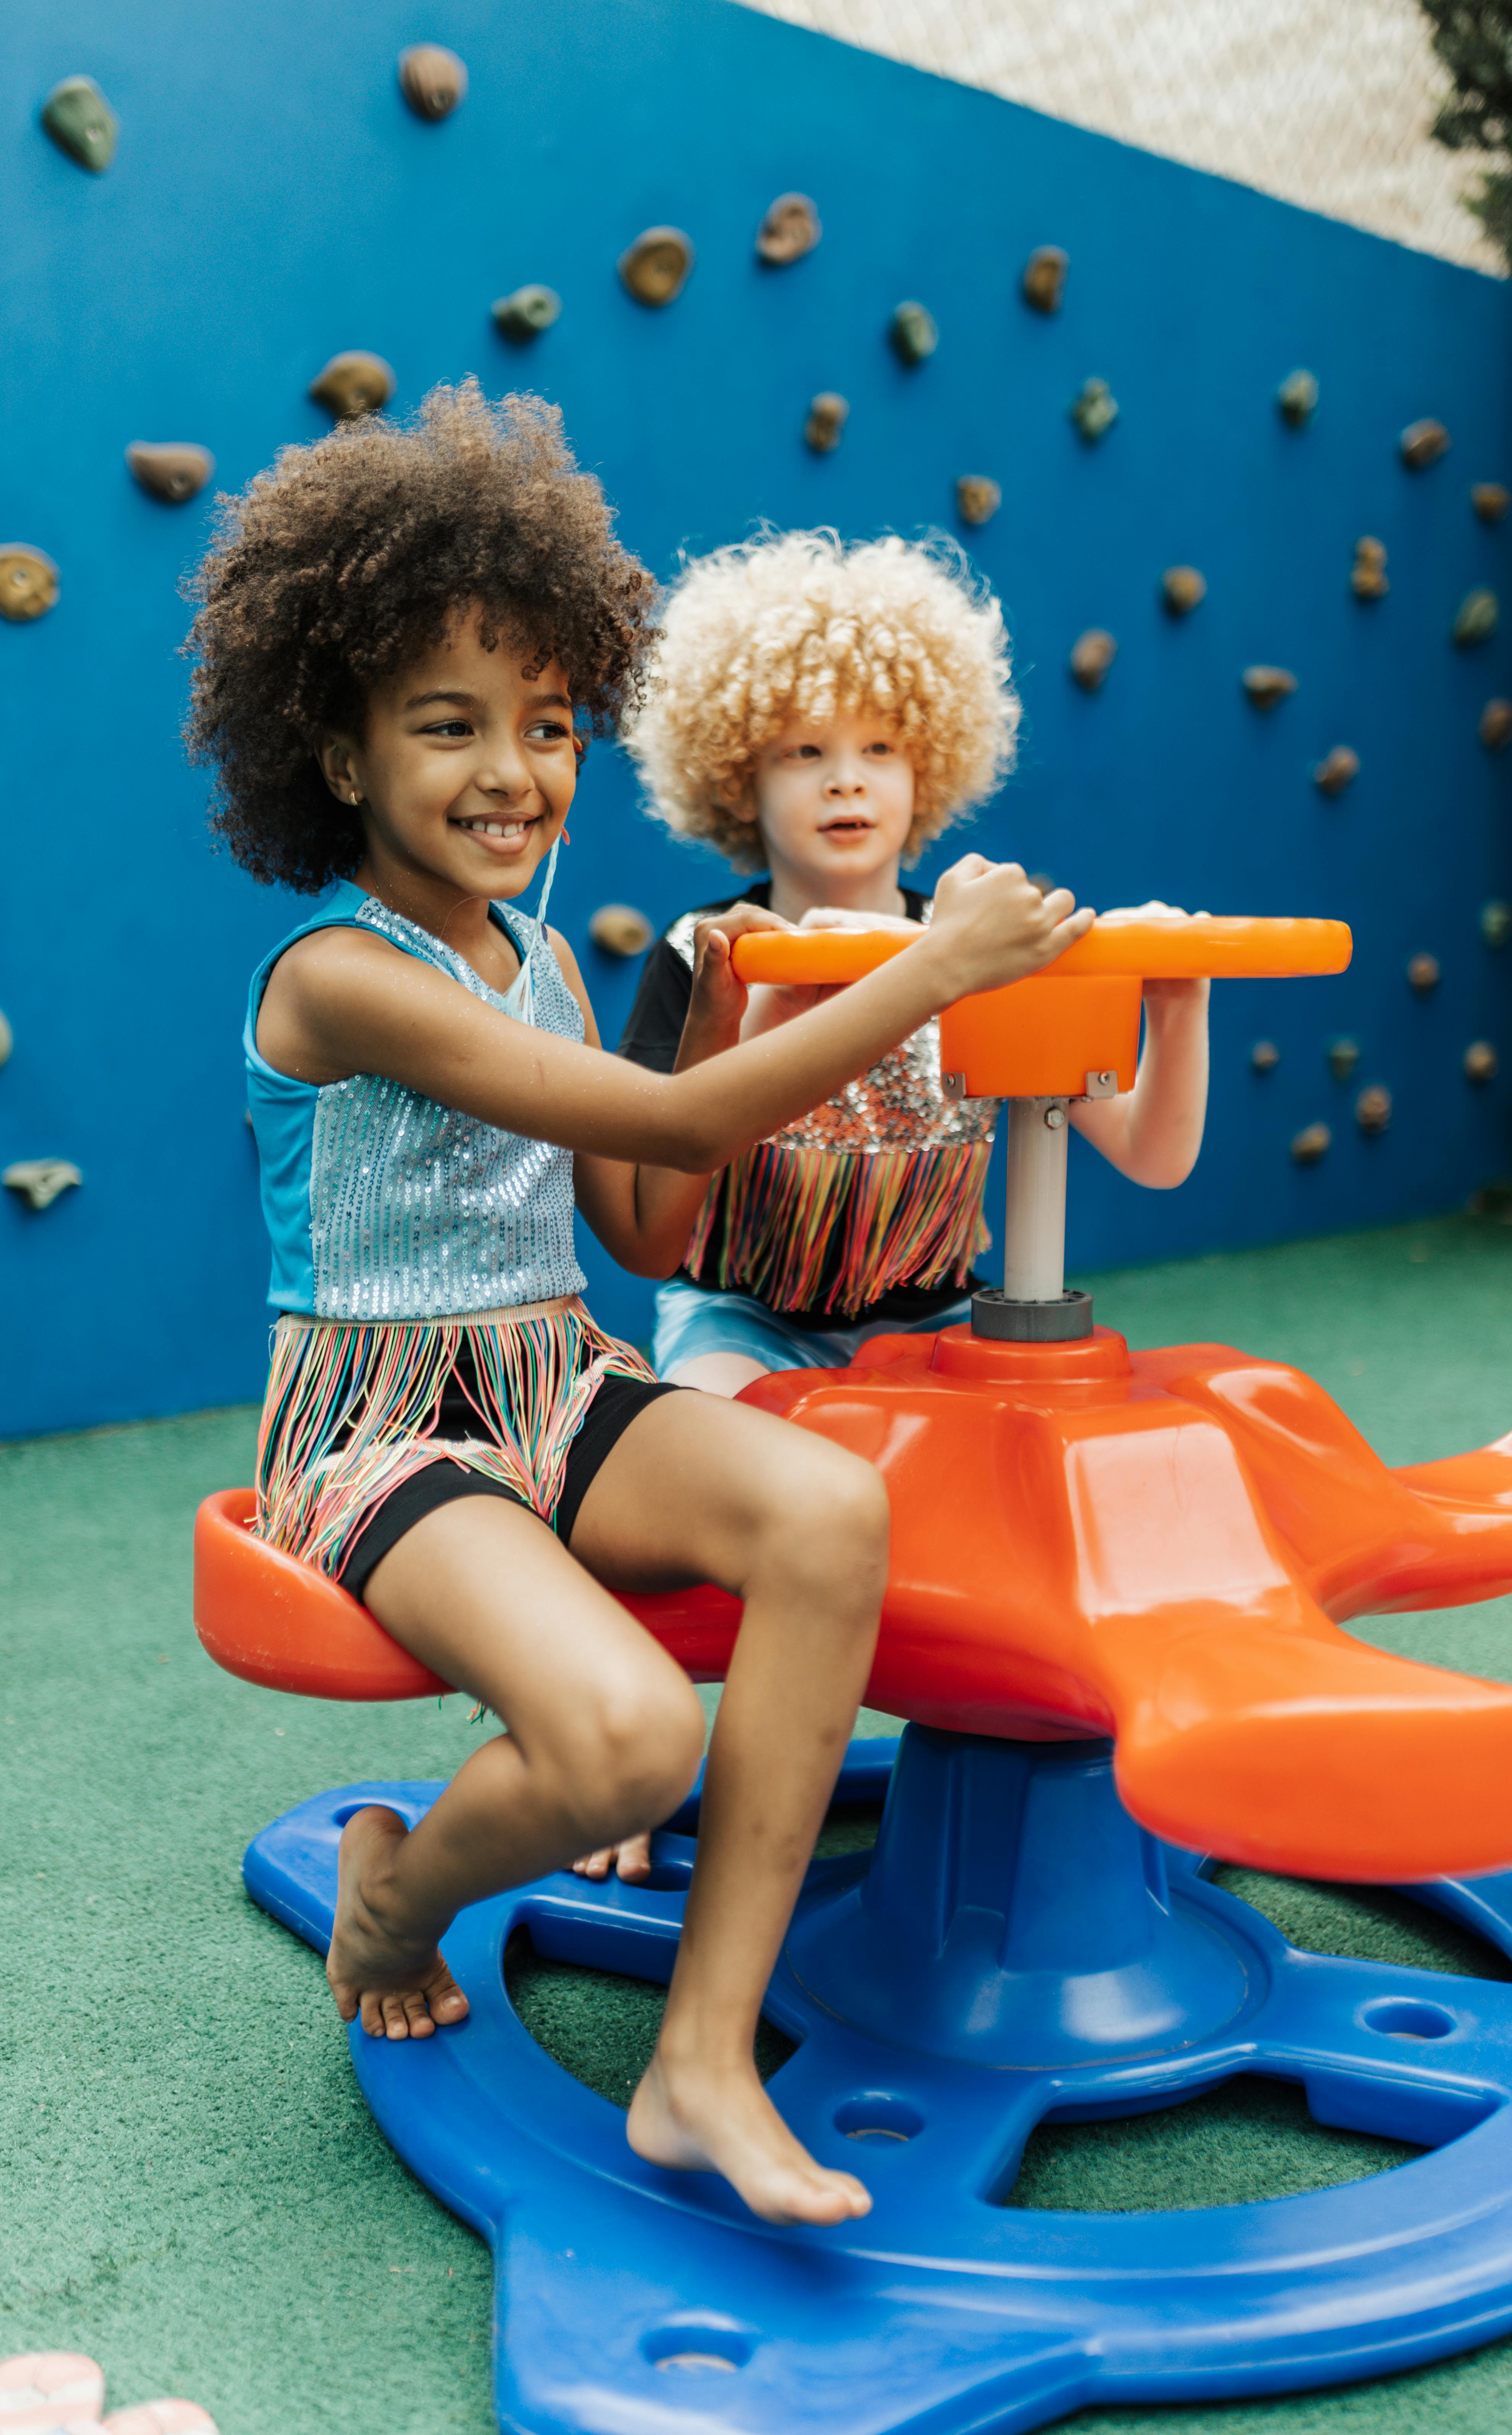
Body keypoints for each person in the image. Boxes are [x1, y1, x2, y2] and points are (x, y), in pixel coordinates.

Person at [184, 382, 1091, 2230]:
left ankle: (697, 2057)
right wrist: (921, 968)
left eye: (544, 722)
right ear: (341, 756)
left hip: (551, 1365)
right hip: (378, 1419)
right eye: (448, 726)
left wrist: (794, 1036)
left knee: (828, 1505)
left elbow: (651, 1221)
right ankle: (398, 1893)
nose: (513, 767)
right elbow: (672, 1116)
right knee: (620, 1737)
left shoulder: (532, 954)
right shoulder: (344, 978)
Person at [619, 529, 1211, 1397]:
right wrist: (762, 1008)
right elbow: (668, 1167)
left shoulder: (984, 949)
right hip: (743, 1318)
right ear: (738, 775)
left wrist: (1178, 1003)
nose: (846, 781)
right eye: (804, 751)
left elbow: (1150, 1155)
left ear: (928, 766)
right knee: (710, 1425)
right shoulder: (702, 952)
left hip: (942, 1325)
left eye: (881, 749)